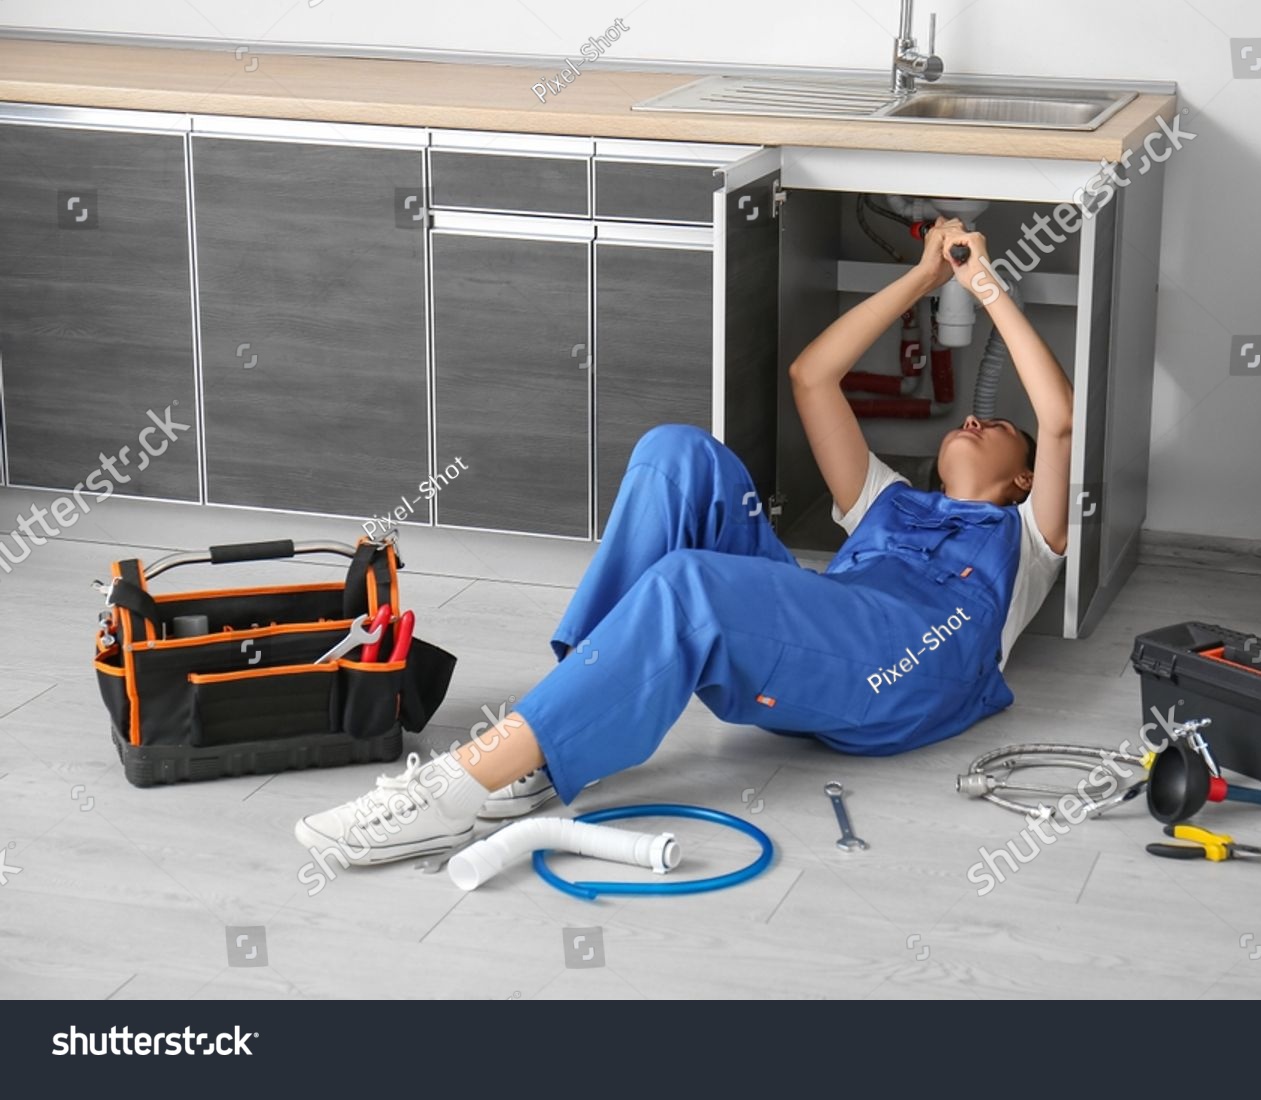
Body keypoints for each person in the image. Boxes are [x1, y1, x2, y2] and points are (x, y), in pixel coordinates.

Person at [294, 218, 1074, 864]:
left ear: (1021, 481)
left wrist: (985, 286)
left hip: (896, 673)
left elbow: (1060, 415)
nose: (975, 421)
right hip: (827, 621)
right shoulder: (888, 501)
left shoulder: (1027, 536)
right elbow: (812, 377)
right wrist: (922, 279)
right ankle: (545, 740)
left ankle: (456, 794)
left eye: (1000, 427)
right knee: (678, 454)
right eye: (973, 418)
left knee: (692, 585)